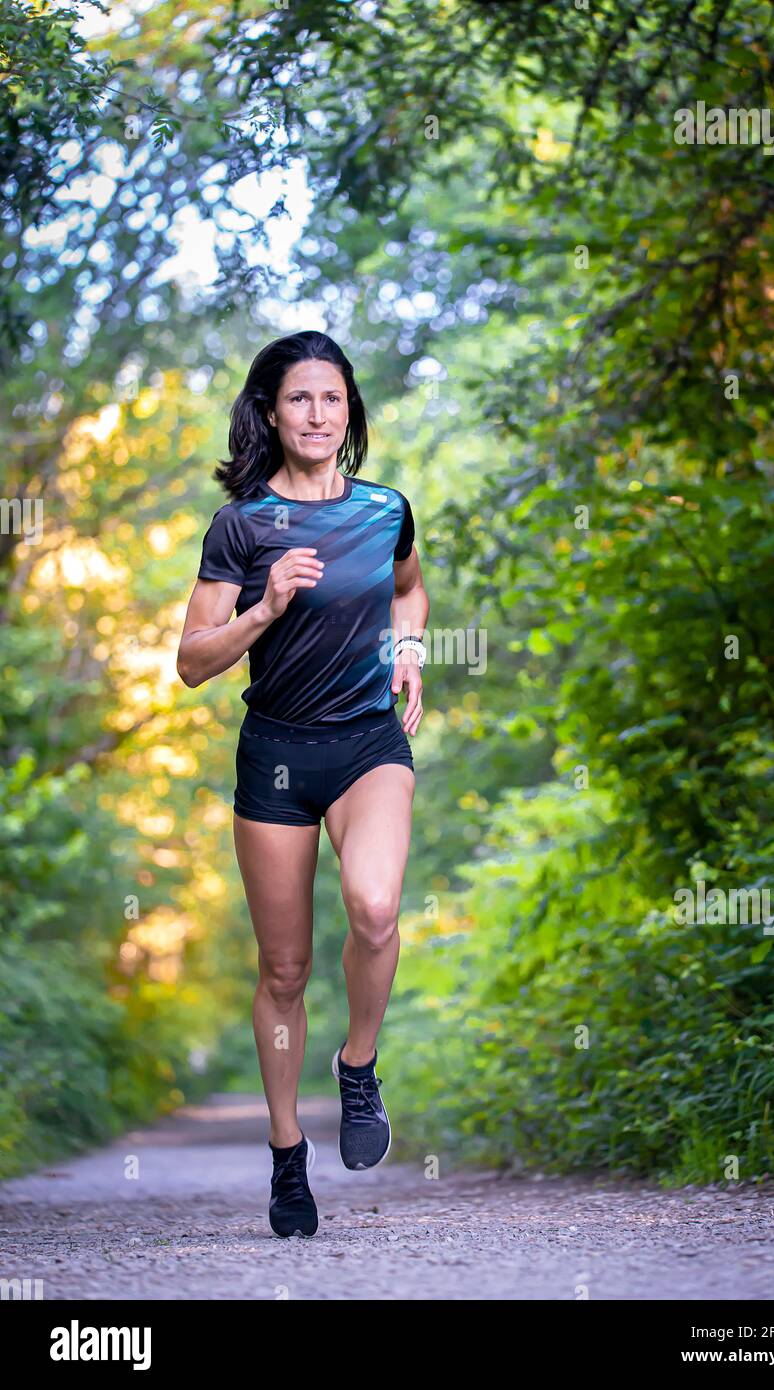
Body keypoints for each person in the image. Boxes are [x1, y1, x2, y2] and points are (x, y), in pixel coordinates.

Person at [176, 331, 428, 1237]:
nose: (317, 415)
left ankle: (357, 1067)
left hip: (368, 744)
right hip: (277, 755)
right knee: (283, 969)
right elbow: (192, 663)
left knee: (375, 907)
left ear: (349, 410)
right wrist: (266, 604)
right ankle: (289, 1157)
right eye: (298, 400)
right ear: (271, 413)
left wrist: (410, 644)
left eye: (332, 399)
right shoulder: (241, 526)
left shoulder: (386, 509)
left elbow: (409, 589)